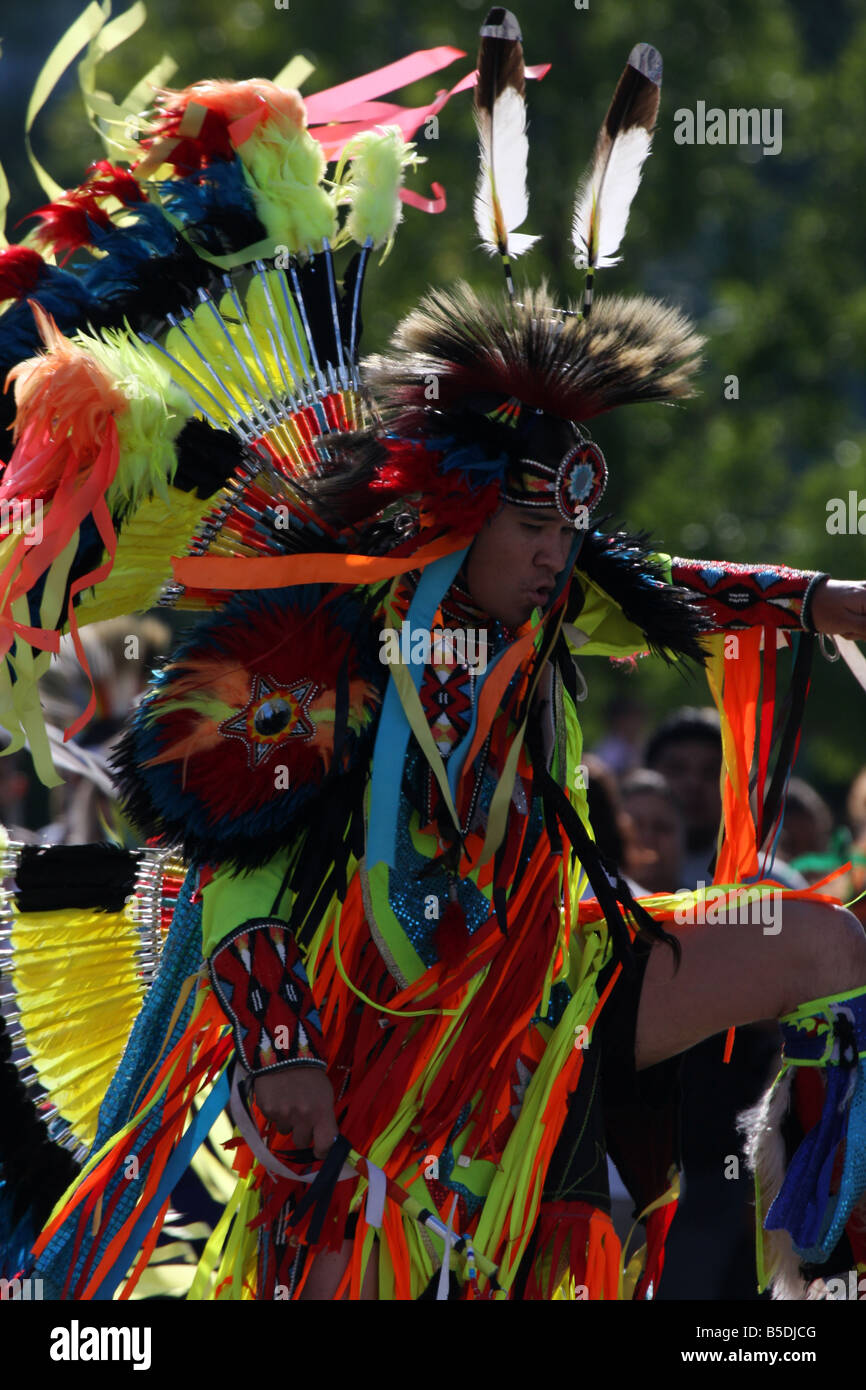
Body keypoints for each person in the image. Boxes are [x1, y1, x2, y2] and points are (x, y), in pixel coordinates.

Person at [2, 11, 866, 1302]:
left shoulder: (549, 595)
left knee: (821, 946)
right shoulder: (303, 650)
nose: (556, 552)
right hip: (371, 1024)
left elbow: (669, 591)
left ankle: (790, 1254)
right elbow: (235, 876)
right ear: (454, 516)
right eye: (530, 522)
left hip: (557, 969)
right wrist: (279, 1042)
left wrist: (832, 603)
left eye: (571, 525)